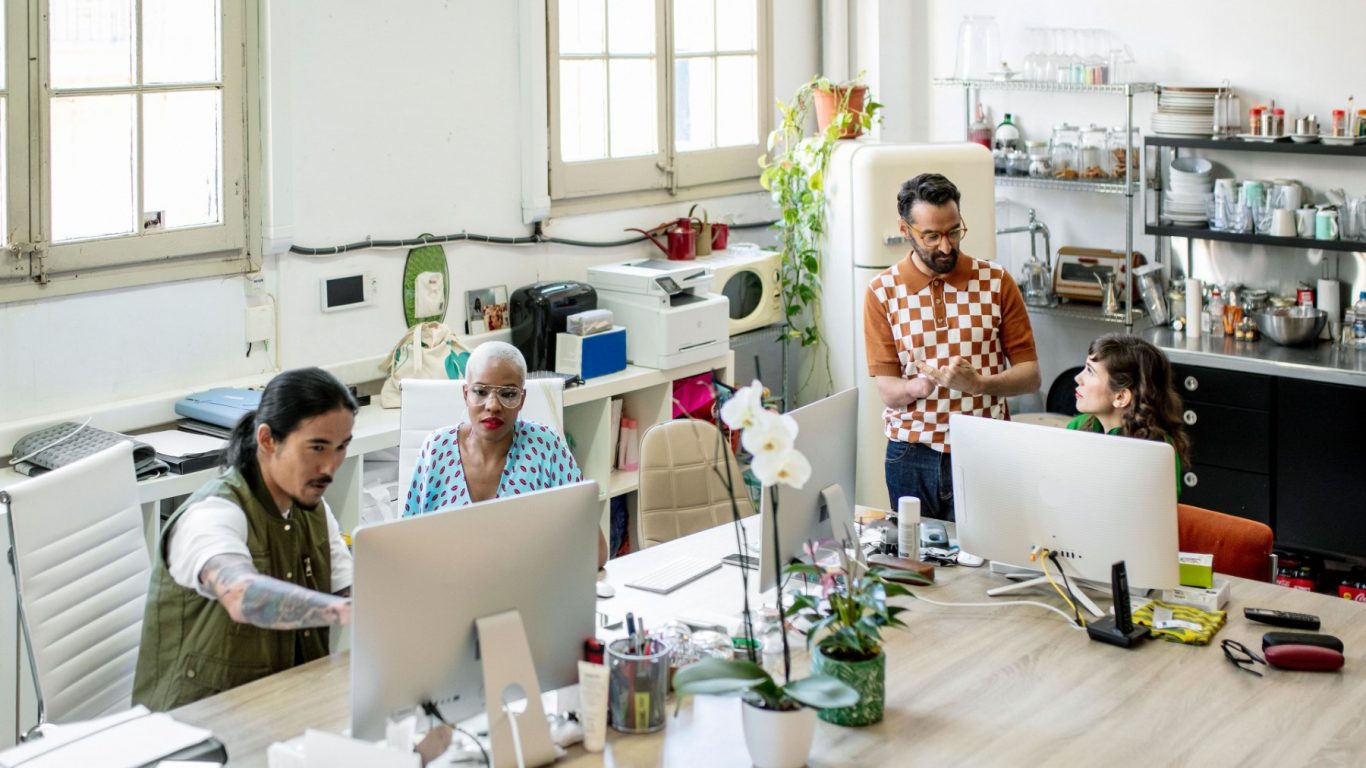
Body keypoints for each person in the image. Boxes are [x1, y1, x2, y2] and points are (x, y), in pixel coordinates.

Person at [133, 368, 359, 711]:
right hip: (198, 727)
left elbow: (353, 587)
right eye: (317, 447)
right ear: (268, 440)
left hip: (280, 707)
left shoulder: (311, 508)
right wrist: (342, 611)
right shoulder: (213, 514)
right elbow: (242, 595)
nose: (330, 467)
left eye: (341, 447)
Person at [863, 172, 1041, 521]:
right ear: (905, 230)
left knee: (985, 564)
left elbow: (1031, 375)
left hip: (984, 449)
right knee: (916, 562)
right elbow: (888, 390)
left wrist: (979, 385)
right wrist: (919, 385)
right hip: (910, 454)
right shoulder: (881, 292)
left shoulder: (996, 282)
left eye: (954, 231)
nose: (946, 246)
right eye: (931, 236)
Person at [403, 341, 608, 567]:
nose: (493, 405)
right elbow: (407, 548)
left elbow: (595, 552)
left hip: (527, 590)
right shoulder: (437, 448)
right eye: (480, 392)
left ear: (522, 399)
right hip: (448, 589)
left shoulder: (545, 447)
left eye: (508, 394)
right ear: (465, 394)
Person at [1068, 333, 1190, 495]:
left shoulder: (1156, 450)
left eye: (1090, 372)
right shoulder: (1077, 426)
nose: (1078, 378)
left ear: (1121, 397)